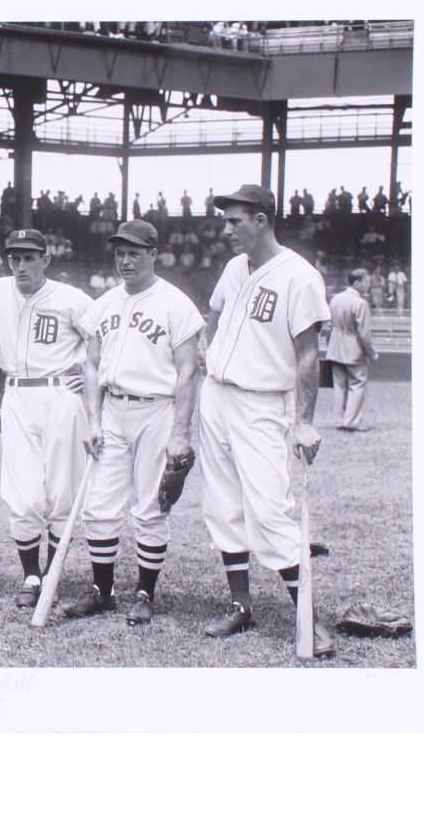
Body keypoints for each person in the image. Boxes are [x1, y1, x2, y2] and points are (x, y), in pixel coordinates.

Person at [196, 185, 334, 657]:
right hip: (216, 394)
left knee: (271, 510)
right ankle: (240, 605)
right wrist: (210, 357)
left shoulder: (301, 277)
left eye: (235, 221)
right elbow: (214, 315)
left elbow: (309, 355)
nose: (227, 229)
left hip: (261, 402)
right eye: (226, 220)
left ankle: (308, 619)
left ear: (261, 220)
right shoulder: (236, 267)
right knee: (222, 504)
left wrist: (305, 420)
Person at [62, 220, 203, 623]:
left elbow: (188, 372)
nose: (125, 260)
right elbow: (90, 364)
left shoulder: (176, 303)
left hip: (157, 410)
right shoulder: (103, 303)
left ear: (153, 255)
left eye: (134, 253)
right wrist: (92, 419)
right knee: (98, 505)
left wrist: (180, 432)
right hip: (112, 411)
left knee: (149, 508)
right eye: (120, 253)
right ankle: (102, 591)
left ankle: (144, 592)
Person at [0, 228, 92, 608]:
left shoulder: (71, 298)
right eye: (14, 258)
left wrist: (86, 366)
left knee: (60, 493)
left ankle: (52, 572)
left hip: (60, 397)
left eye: (28, 258)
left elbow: (105, 339)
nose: (20, 266)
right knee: (23, 497)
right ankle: (31, 576)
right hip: (16, 396)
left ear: (45, 260)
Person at [325, 268, 378, 432]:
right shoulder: (360, 303)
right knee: (357, 384)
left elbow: (328, 326)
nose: (368, 285)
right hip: (353, 349)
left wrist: (330, 344)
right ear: (356, 283)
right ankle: (352, 421)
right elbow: (364, 333)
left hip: (335, 347)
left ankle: (339, 420)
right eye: (366, 281)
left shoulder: (335, 299)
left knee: (340, 385)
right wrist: (372, 353)